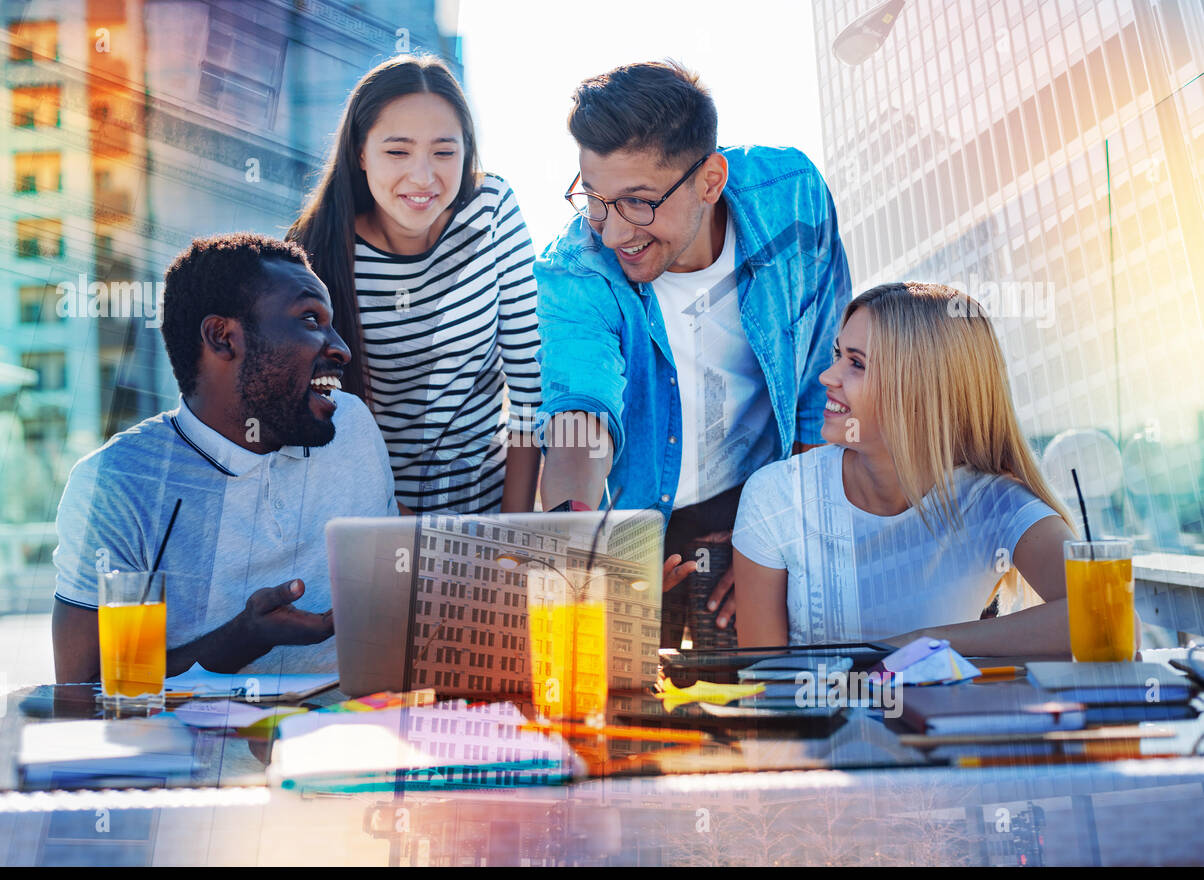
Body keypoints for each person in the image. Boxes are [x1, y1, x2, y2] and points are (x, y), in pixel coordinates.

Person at [533, 60, 851, 647]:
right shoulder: (575, 268)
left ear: (710, 180)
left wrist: (787, 530)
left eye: (636, 202)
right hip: (631, 530)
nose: (611, 232)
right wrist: (582, 550)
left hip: (759, 504)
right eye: (595, 200)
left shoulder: (794, 199)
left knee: (765, 707)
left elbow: (817, 387)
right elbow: (579, 413)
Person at [51, 233, 398, 682]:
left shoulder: (352, 426)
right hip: (199, 751)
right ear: (223, 338)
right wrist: (240, 640)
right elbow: (88, 687)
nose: (340, 348)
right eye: (311, 320)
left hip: (360, 737)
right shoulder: (119, 482)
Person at [732, 282, 1077, 656]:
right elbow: (762, 681)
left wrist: (926, 643)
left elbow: (1109, 619)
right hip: (815, 716)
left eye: (857, 363)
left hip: (936, 714)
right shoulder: (776, 495)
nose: (827, 377)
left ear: (922, 389)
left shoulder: (993, 502)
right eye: (837, 355)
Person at [288, 54, 541, 515]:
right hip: (370, 522)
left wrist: (514, 534)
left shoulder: (492, 209)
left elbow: (531, 391)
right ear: (360, 152)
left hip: (492, 514)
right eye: (398, 151)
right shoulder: (315, 251)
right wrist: (398, 532)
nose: (424, 177)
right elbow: (311, 419)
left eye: (444, 152)